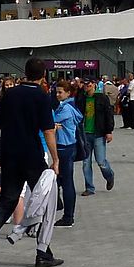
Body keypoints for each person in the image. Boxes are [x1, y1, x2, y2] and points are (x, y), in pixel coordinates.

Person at [0, 58, 63, 267]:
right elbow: (48, 132)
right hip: (32, 157)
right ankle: (42, 253)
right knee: (46, 201)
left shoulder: (10, 95)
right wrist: (55, 160)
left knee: (6, 203)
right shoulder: (42, 97)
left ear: (25, 73)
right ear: (43, 75)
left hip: (9, 156)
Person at [52, 82, 83, 227]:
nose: (57, 95)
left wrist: (53, 125)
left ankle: (68, 216)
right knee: (58, 180)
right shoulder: (64, 107)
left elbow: (49, 122)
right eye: (56, 92)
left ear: (68, 93)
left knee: (66, 182)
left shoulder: (66, 109)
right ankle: (58, 205)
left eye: (60, 92)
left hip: (64, 147)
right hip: (66, 147)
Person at [79, 80, 116, 195]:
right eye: (84, 84)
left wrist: (109, 131)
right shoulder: (81, 98)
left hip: (99, 134)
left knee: (101, 162)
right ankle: (89, 188)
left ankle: (110, 176)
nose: (87, 86)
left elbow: (108, 115)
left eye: (89, 84)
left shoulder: (102, 98)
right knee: (86, 163)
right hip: (85, 134)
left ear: (94, 84)